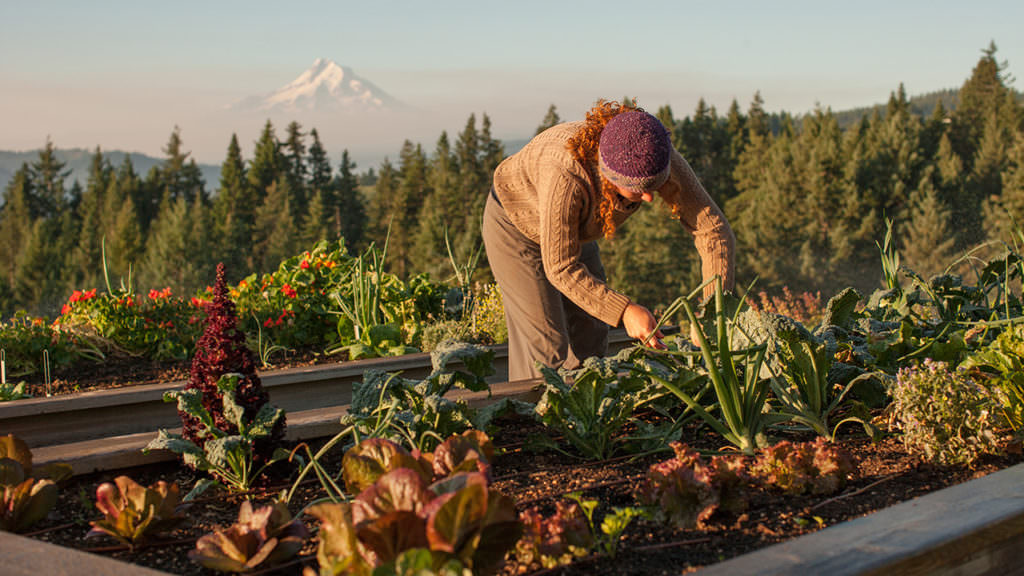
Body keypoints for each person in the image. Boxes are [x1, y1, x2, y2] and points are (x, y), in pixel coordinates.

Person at [482, 100, 736, 382]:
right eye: (639, 192)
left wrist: (711, 315)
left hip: (574, 227)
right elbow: (561, 268)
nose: (650, 198)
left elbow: (714, 232)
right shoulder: (566, 175)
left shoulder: (654, 150)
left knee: (591, 329)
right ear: (610, 179)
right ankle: (535, 420)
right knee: (546, 349)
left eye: (656, 185)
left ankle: (587, 417)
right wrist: (626, 310)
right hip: (515, 225)